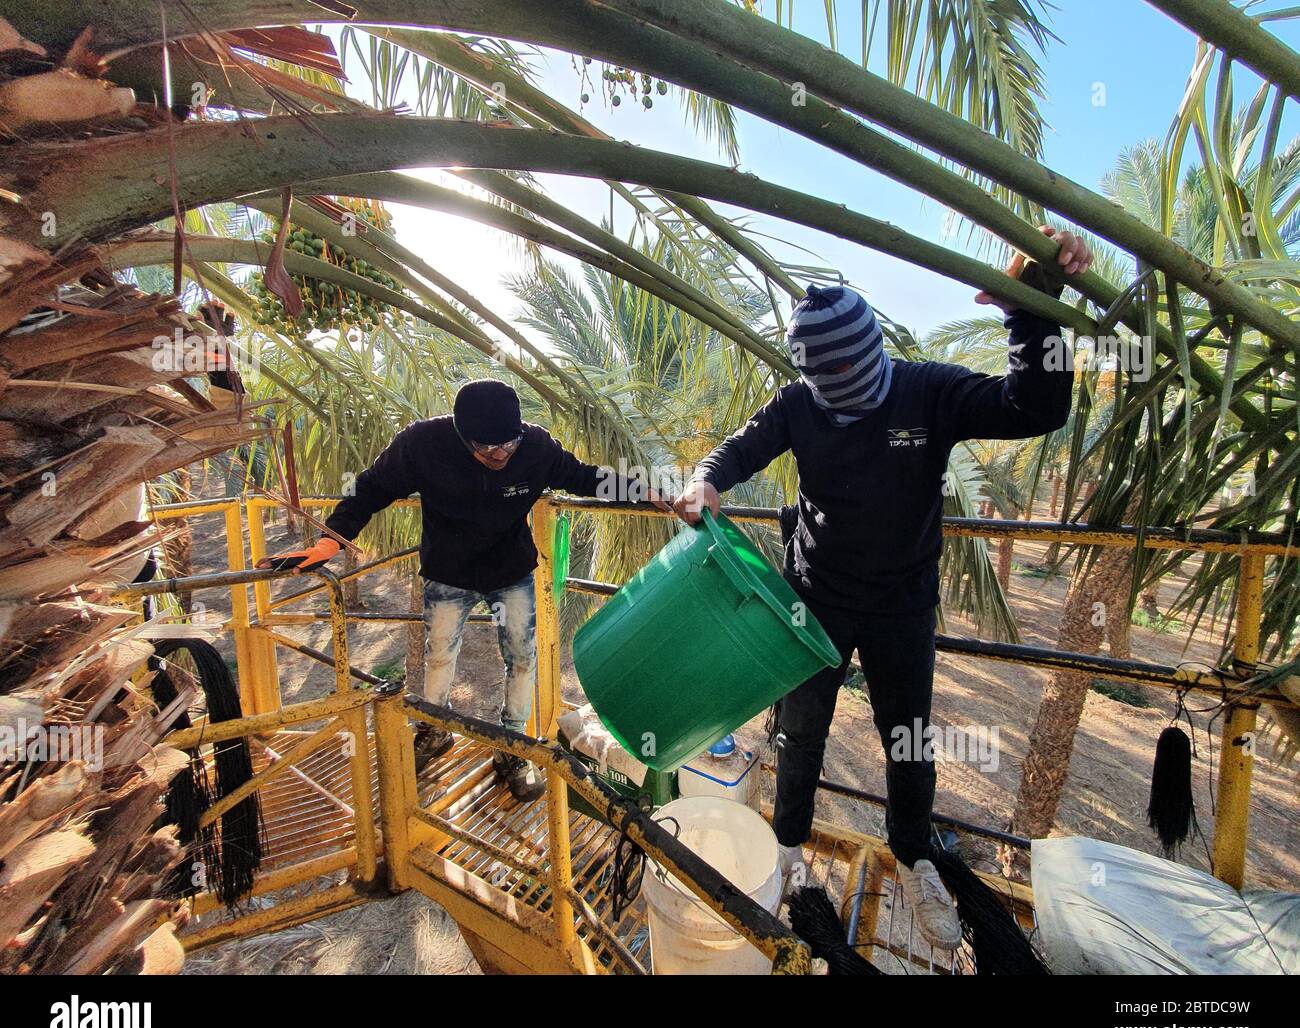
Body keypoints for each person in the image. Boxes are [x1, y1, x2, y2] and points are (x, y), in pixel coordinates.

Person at [673, 227, 1093, 948]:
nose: (855, 405)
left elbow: (1036, 409)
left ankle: (913, 856)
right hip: (814, 600)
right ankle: (787, 852)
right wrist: (704, 478)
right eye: (838, 396)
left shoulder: (926, 390)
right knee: (800, 733)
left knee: (908, 740)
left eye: (864, 388)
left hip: (902, 601)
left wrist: (1035, 307)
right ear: (811, 380)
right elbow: (739, 446)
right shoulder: (797, 405)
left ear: (879, 359)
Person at [259, 379, 667, 801]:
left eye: (506, 446)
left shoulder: (536, 448)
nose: (497, 456)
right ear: (459, 434)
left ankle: (513, 747)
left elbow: (583, 476)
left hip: (510, 572)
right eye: (484, 448)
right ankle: (435, 731)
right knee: (438, 656)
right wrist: (331, 540)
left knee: (522, 659)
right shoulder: (422, 443)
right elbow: (370, 488)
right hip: (448, 571)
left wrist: (641, 491)